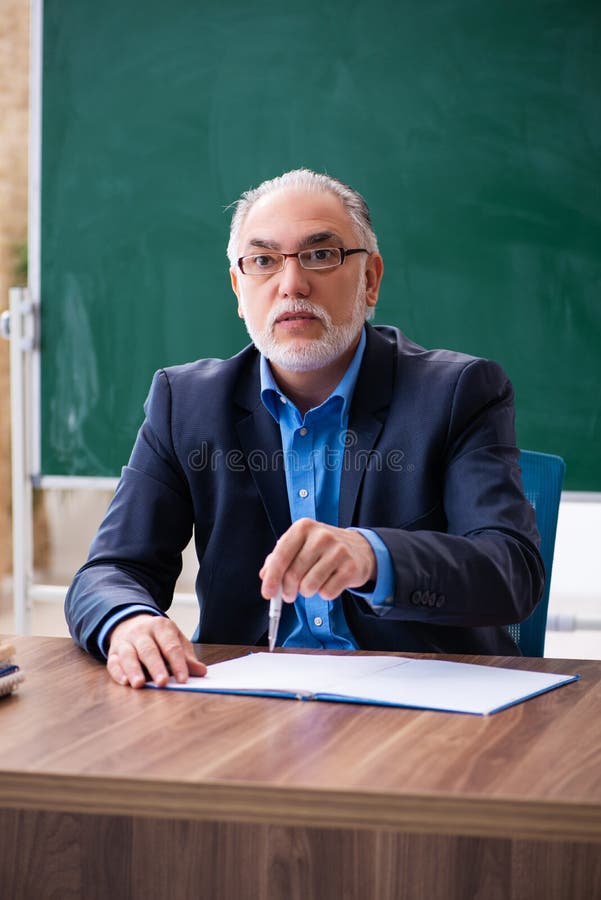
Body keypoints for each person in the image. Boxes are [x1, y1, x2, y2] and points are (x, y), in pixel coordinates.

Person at [65, 168, 543, 688]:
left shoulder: (459, 391)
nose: (291, 284)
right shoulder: (186, 402)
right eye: (264, 261)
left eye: (320, 254)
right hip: (245, 708)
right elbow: (109, 572)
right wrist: (127, 620)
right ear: (238, 287)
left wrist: (373, 556)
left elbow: (511, 572)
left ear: (371, 279)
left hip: (427, 708)